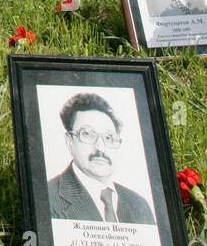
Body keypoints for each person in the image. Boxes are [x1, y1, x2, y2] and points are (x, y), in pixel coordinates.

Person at [47, 92, 155, 224]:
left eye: (108, 138)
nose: (100, 148)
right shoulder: (48, 199)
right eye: (87, 134)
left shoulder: (139, 205)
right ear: (69, 141)